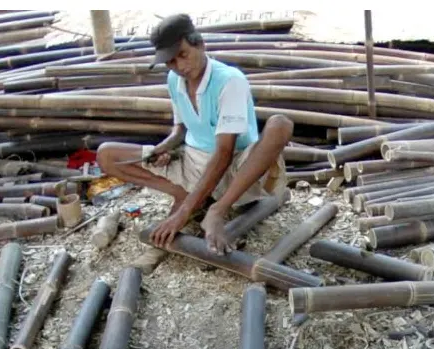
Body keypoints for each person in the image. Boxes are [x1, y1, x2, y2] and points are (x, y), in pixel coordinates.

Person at [96, 14, 293, 253]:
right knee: (106, 154)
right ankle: (184, 194)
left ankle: (216, 208)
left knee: (280, 125)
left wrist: (183, 215)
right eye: (170, 61)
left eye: (183, 55)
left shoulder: (230, 81)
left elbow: (224, 153)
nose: (179, 67)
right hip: (193, 163)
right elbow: (180, 128)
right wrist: (166, 146)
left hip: (237, 169)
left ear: (200, 44)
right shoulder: (174, 80)